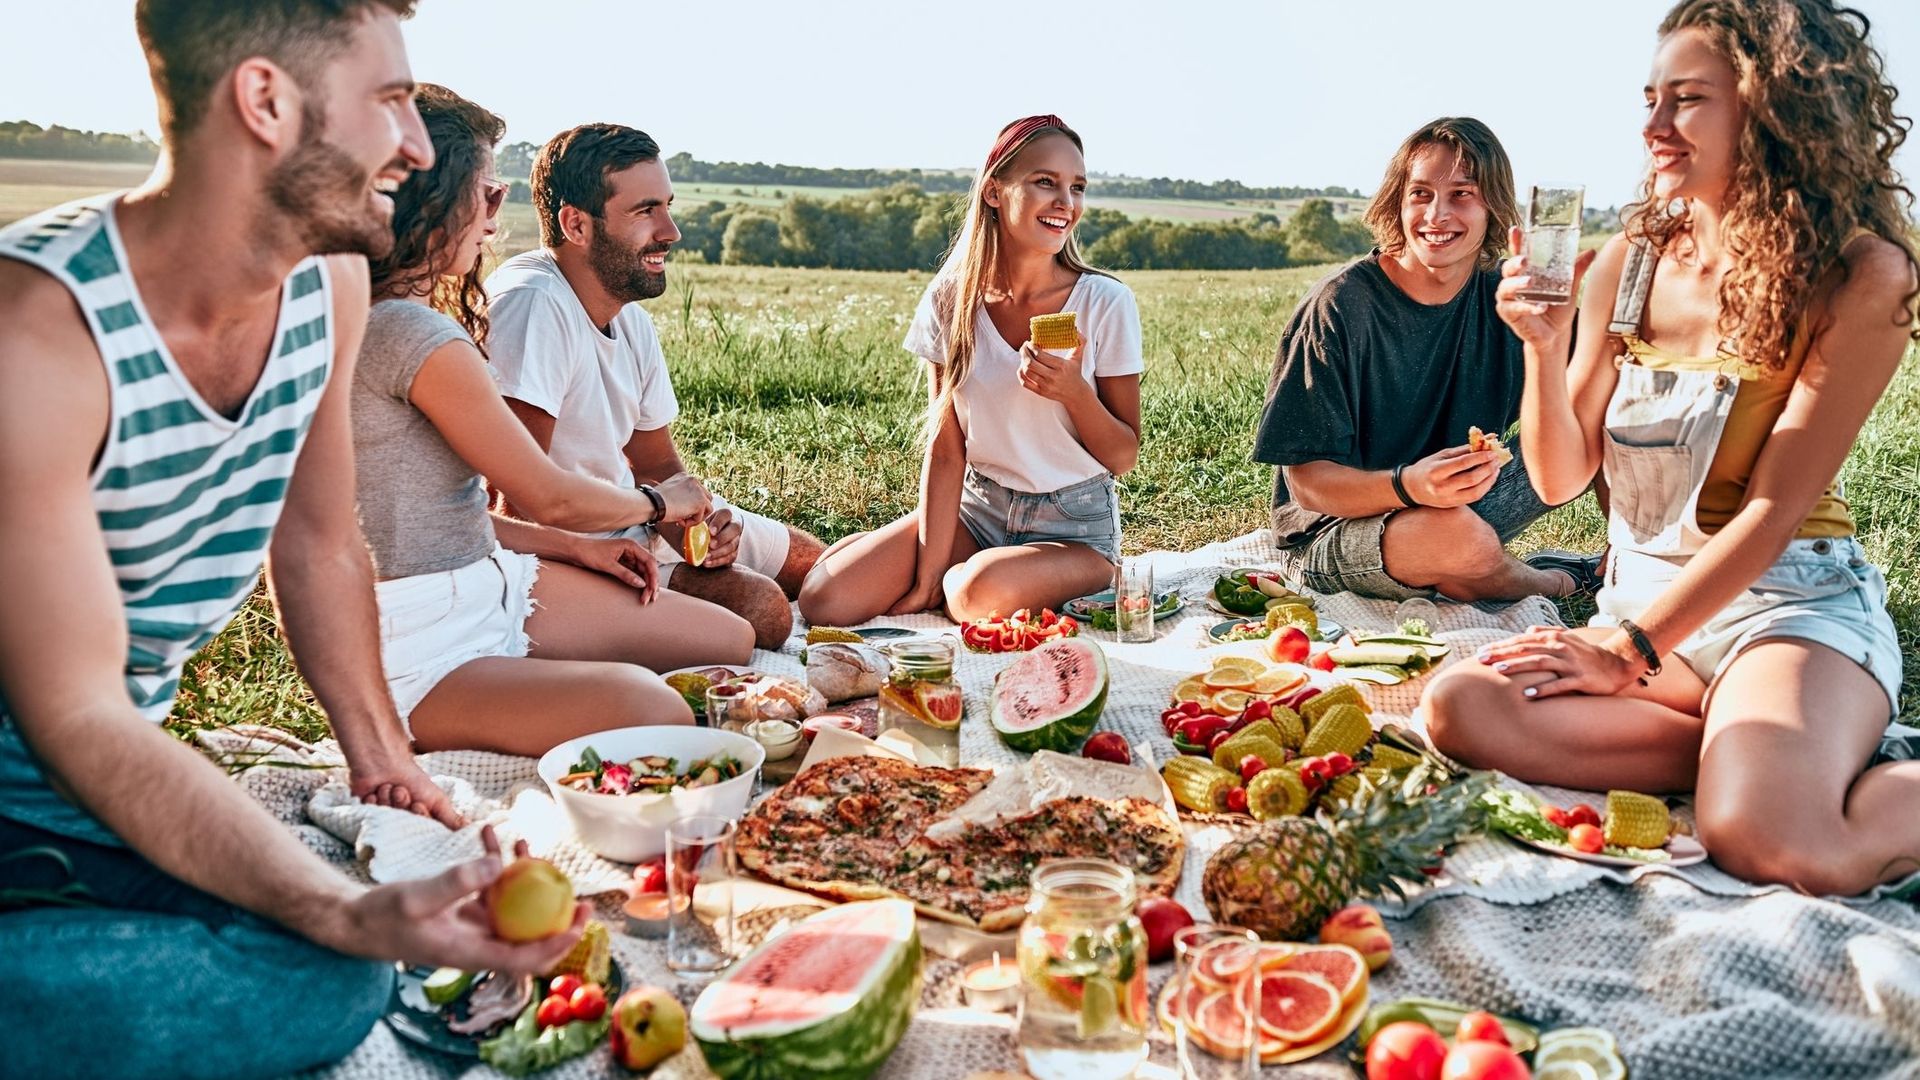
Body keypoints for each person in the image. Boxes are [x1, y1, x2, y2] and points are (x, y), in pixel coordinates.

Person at [0, 4, 586, 1076]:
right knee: (334, 958)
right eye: (392, 102)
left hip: (74, 804)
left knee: (323, 962)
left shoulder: (327, 283)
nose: (416, 149)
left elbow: (318, 541)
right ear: (265, 101)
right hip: (46, 781)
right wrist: (343, 914)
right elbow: (77, 715)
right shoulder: (35, 336)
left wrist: (383, 758)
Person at [1422, 0, 1918, 896]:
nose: (1652, 126)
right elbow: (1560, 472)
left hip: (1786, 610)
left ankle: (1773, 768)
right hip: (1649, 612)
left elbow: (1771, 513)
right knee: (1461, 707)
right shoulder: (1631, 260)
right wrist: (1541, 344)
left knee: (1771, 841)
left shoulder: (1862, 273)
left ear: (1771, 111)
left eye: (1685, 100)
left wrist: (1624, 653)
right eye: (1650, 97)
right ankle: (1752, 752)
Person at [357, 85, 755, 757]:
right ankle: (520, 694)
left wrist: (580, 550)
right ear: (433, 199)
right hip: (425, 637)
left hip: (487, 583)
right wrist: (661, 502)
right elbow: (545, 493)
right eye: (484, 191)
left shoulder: (401, 321)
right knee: (657, 708)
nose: (497, 210)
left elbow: (441, 511)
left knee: (733, 640)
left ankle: (542, 685)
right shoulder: (416, 338)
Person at [483, 125, 821, 649]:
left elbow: (658, 465)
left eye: (667, 205)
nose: (671, 230)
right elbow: (516, 501)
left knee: (820, 569)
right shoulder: (534, 304)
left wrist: (699, 538)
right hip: (573, 552)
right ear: (576, 224)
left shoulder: (626, 313)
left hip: (637, 515)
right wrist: (656, 517)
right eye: (645, 211)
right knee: (765, 613)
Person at [798, 115, 1143, 626]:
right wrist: (923, 580)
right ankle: (947, 571)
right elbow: (945, 448)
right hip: (977, 513)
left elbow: (1123, 455)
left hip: (1072, 529)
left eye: (1076, 187)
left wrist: (1074, 393)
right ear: (994, 192)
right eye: (1044, 182)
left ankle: (1038, 580)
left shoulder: (1105, 301)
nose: (1065, 203)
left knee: (972, 593)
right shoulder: (950, 299)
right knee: (825, 601)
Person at [1252, 117, 1600, 603]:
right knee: (1456, 540)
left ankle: (1621, 564)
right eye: (1420, 194)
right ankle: (1558, 580)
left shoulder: (1508, 298)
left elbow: (1607, 383)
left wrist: (1564, 330)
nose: (1437, 215)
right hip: (1338, 532)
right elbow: (1307, 484)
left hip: (1467, 497)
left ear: (1493, 208)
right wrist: (1409, 485)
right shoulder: (1339, 307)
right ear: (1399, 201)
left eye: (1461, 194)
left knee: (1603, 414)